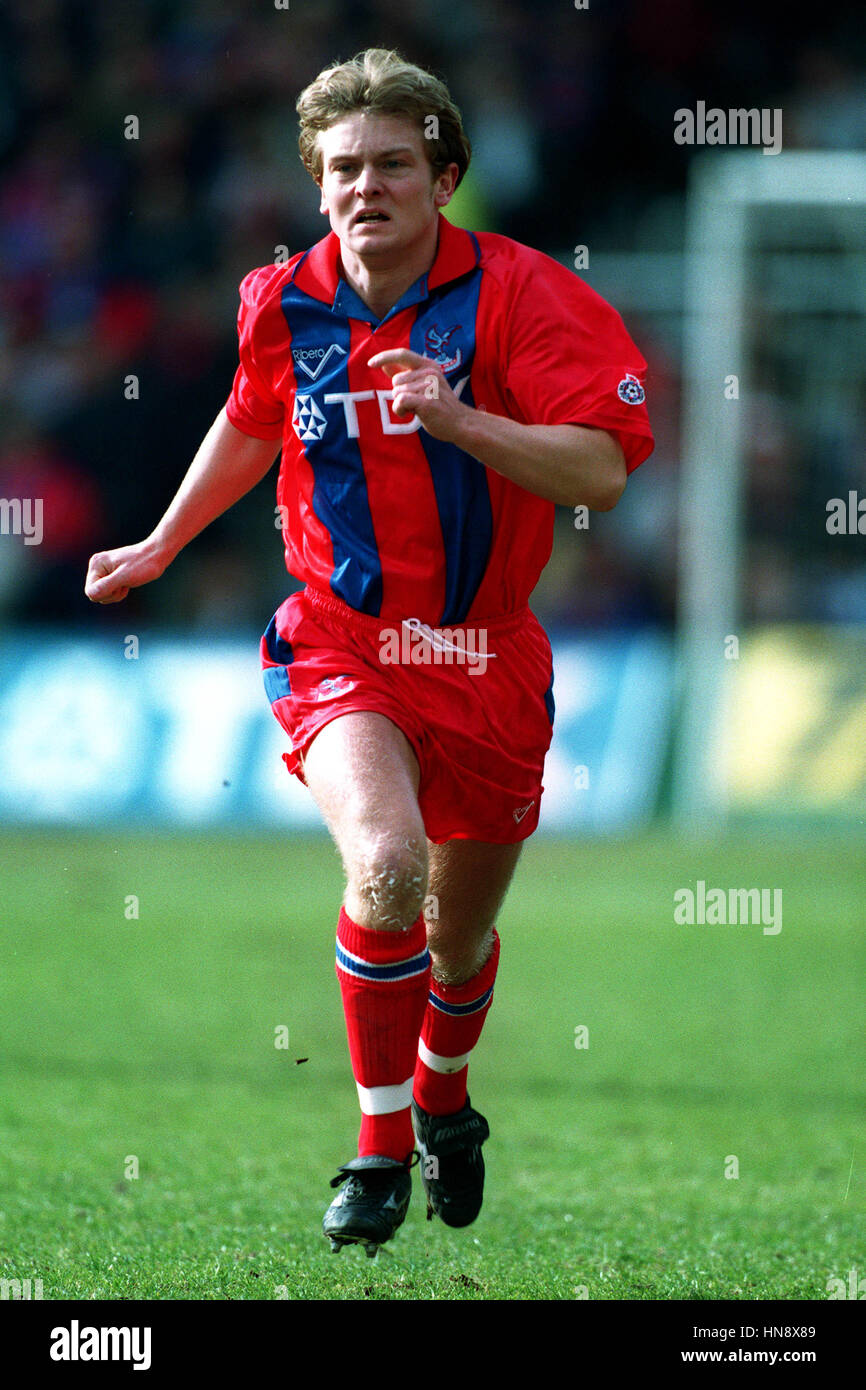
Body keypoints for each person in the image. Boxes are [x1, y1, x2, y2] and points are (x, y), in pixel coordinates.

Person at [85, 47, 654, 1257]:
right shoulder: (279, 300)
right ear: (316, 181)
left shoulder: (518, 294)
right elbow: (249, 423)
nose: (364, 186)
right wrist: (160, 542)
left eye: (393, 163)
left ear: (441, 177)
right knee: (387, 869)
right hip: (342, 645)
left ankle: (446, 1097)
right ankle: (379, 1144)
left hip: (485, 657)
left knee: (456, 941)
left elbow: (600, 464)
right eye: (342, 167)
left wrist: (453, 416)